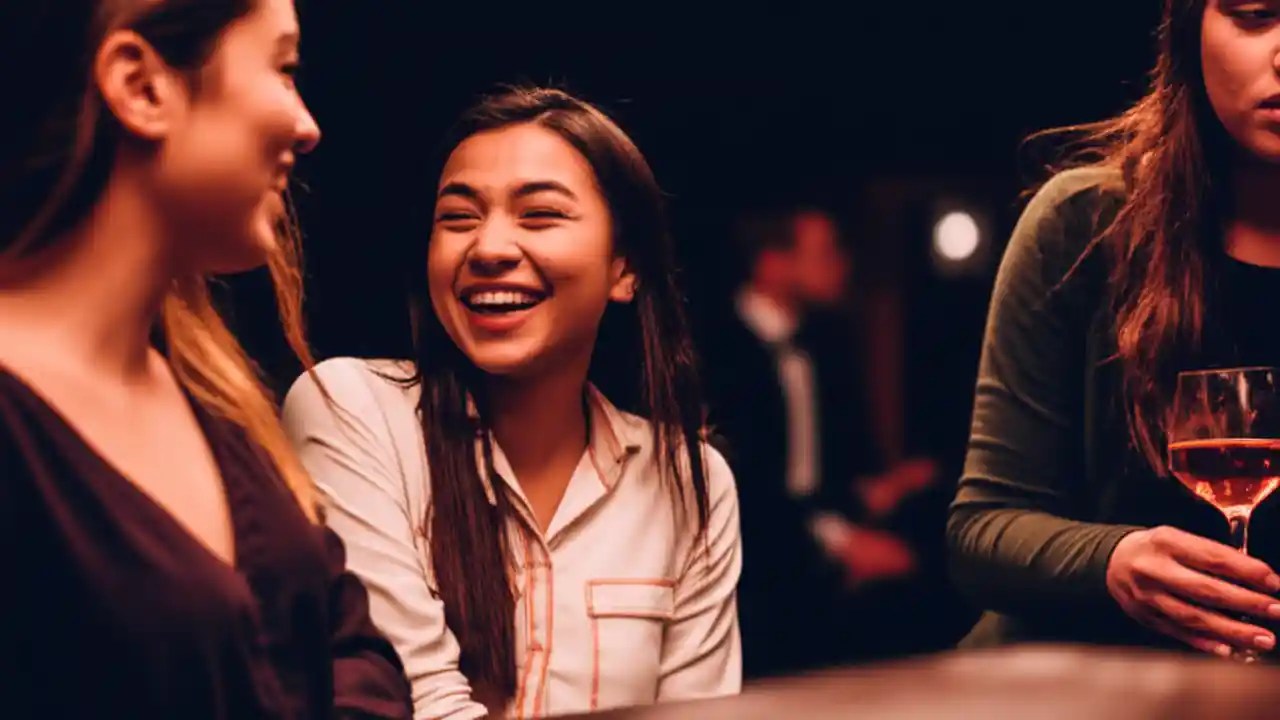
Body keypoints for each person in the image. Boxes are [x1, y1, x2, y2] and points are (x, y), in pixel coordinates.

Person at [0, 1, 412, 717]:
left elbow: (354, 653)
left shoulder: (210, 403)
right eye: (282, 69)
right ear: (143, 87)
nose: (307, 125)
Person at [283, 86, 742, 719]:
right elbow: (416, 702)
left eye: (540, 215)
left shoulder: (688, 480)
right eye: (459, 218)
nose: (489, 248)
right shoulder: (351, 409)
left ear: (624, 268)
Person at [950, 0, 1280, 659]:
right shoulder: (1083, 225)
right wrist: (1114, 561)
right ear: (1188, 32)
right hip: (1085, 689)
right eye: (1255, 13)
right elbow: (982, 532)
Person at [700, 204, 938, 675]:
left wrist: (879, 490)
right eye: (826, 252)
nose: (842, 264)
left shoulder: (822, 346)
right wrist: (839, 543)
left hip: (812, 540)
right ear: (773, 262)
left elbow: (815, 476)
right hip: (754, 559)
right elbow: (742, 486)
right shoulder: (718, 350)